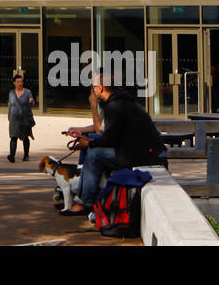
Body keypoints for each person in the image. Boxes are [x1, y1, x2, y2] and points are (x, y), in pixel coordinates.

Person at [64, 73, 166, 217]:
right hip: (136, 150)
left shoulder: (115, 106)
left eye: (92, 87)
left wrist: (88, 143)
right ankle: (84, 194)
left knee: (95, 155)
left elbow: (109, 139)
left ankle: (84, 202)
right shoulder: (120, 101)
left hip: (143, 155)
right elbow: (110, 135)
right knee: (91, 146)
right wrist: (86, 138)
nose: (91, 91)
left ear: (100, 88)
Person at [6, 74, 35, 163]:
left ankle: (26, 155)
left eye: (21, 81)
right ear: (14, 83)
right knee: (13, 137)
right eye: (18, 82)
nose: (20, 83)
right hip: (14, 118)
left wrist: (31, 102)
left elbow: (32, 105)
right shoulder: (11, 93)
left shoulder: (27, 92)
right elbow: (10, 106)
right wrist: (9, 117)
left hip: (24, 117)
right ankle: (12, 156)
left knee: (25, 136)